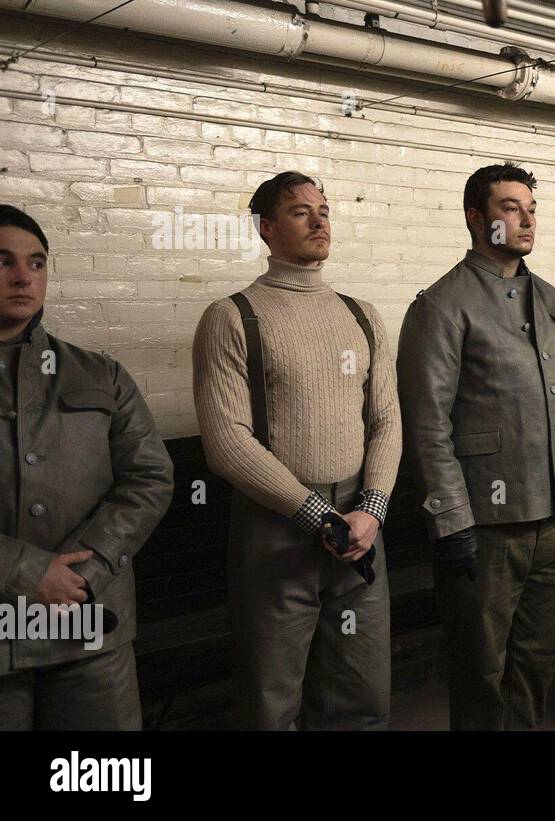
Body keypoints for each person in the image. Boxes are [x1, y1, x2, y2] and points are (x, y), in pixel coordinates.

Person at [193, 172, 401, 730]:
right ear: (267, 228)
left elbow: (386, 420)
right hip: (277, 528)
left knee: (361, 697)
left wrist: (371, 510)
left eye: (325, 210)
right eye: (300, 211)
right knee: (271, 703)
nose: (319, 220)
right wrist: (317, 516)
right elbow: (226, 441)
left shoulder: (361, 315)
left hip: (358, 529)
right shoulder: (233, 316)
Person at [397, 163, 555, 730]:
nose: (527, 219)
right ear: (476, 218)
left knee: (538, 660)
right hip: (487, 525)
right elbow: (426, 424)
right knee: (481, 669)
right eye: (511, 208)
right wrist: (451, 518)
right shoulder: (442, 305)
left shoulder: (551, 298)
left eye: (531, 209)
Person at [0, 205, 174, 730]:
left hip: (88, 627)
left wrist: (83, 571)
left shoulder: (100, 373)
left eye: (37, 262)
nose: (22, 276)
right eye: (3, 261)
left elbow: (150, 477)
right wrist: (25, 573)